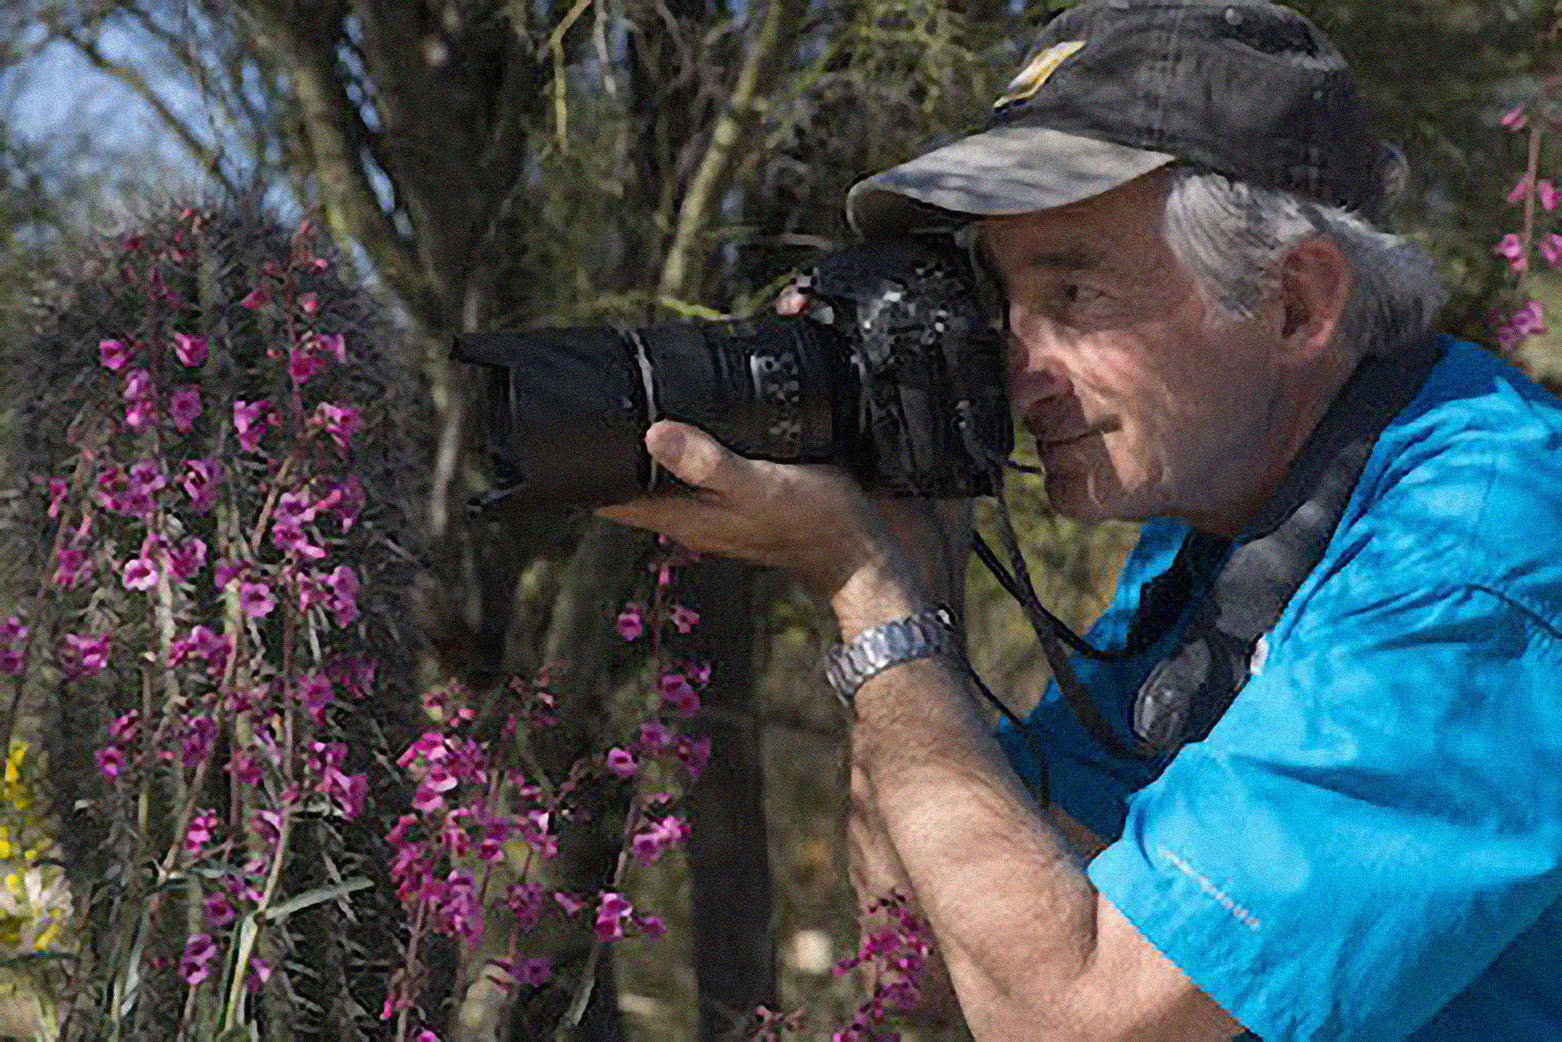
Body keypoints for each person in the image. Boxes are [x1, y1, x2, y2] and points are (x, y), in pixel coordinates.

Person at [601, 1, 1562, 1038]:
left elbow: (1077, 1017)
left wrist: (867, 599)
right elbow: (929, 951)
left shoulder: (1472, 555)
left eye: (1072, 291)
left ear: (1292, 302)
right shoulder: (1219, 536)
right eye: (1001, 300)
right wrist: (914, 572)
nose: (1013, 366)